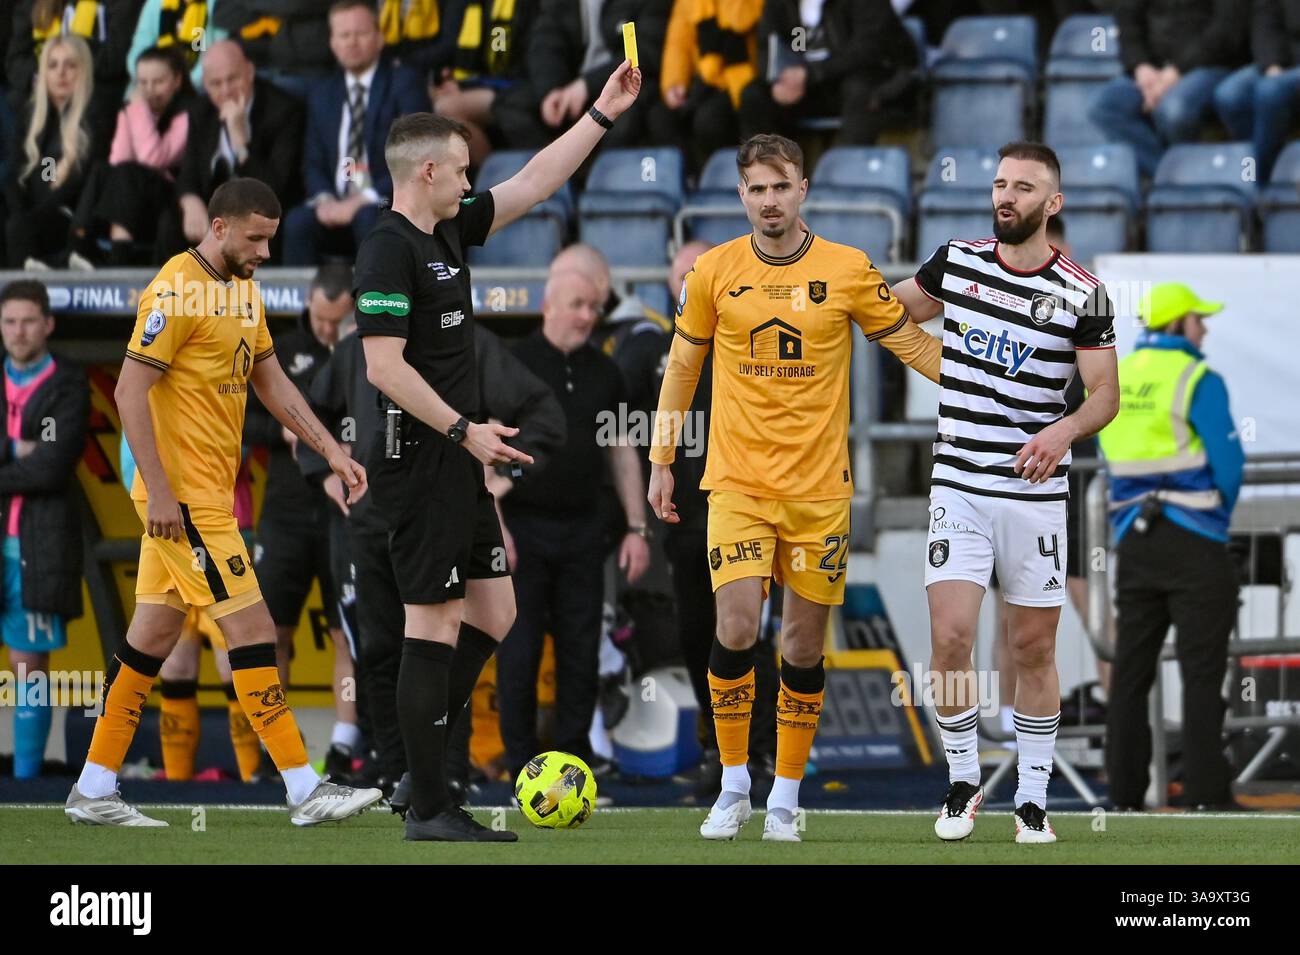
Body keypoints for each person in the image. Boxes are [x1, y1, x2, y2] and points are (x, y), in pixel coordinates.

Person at [353, 58, 641, 841]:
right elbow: (383, 366)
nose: (475, 181)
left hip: (457, 457)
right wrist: (462, 429)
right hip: (421, 457)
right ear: (430, 170)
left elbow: (538, 182)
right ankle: (429, 803)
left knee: (496, 608)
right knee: (432, 622)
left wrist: (603, 115)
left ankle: (422, 758)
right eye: (464, 171)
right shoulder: (387, 249)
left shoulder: (448, 228)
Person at [648, 133, 943, 842]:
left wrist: (990, 389)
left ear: (802, 189)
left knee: (803, 647)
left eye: (781, 186)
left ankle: (785, 792)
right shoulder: (715, 271)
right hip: (738, 484)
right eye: (756, 189)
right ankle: (732, 784)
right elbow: (683, 368)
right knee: (737, 626)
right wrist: (661, 457)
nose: (769, 201)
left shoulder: (847, 270)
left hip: (819, 495)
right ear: (741, 195)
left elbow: (909, 342)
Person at [65, 176, 380, 827]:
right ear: (219, 228)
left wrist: (331, 450)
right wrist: (157, 491)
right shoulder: (176, 288)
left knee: (150, 634)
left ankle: (93, 786)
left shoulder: (243, 291)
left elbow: (274, 384)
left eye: (271, 237)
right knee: (255, 628)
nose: (266, 250)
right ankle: (302, 785)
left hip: (206, 497)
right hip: (186, 503)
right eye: (257, 238)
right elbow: (128, 391)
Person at [892, 141, 1120, 845]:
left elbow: (1106, 394)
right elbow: (886, 310)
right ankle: (963, 781)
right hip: (958, 480)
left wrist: (1064, 432)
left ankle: (1031, 797)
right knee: (952, 637)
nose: (1006, 195)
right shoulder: (956, 260)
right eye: (999, 183)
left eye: (1023, 186)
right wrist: (936, 364)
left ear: (1052, 203)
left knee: (1031, 648)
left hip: (1033, 490)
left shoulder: (1085, 292)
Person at [496, 269, 651, 778]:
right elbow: (482, 447)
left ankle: (571, 766)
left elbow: (622, 451)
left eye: (594, 308)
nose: (588, 316)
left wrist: (636, 527)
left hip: (587, 531)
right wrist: (494, 523)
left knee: (581, 655)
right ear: (548, 304)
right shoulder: (510, 363)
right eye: (579, 305)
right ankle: (518, 767)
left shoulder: (606, 373)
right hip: (520, 529)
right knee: (518, 654)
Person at [1099, 283, 1245, 811]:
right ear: (1179, 325)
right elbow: (1230, 466)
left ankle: (1122, 798)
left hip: (1133, 542)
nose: (1203, 329)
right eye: (1197, 320)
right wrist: (1216, 521)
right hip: (1196, 542)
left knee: (1130, 675)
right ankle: (1207, 795)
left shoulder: (1120, 376)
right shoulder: (1198, 378)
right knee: (1202, 674)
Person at [243, 263, 357, 779]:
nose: (329, 330)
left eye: (339, 321)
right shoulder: (281, 348)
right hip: (287, 513)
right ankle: (278, 748)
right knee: (273, 631)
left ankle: (343, 746)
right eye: (322, 318)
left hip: (346, 513)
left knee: (346, 634)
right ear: (309, 303)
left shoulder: (370, 351)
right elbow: (246, 419)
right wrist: (288, 432)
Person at [0, 280, 89, 779]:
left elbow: (52, 467)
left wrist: (23, 454)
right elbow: (31, 461)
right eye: (9, 321)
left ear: (48, 324)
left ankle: (25, 786)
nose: (18, 331)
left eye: (28, 320)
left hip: (33, 548)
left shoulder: (67, 385)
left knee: (28, 668)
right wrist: (17, 449)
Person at [281, 0, 429, 265]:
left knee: (368, 216)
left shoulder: (405, 82)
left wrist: (363, 200)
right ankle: (307, 306)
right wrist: (325, 200)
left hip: (388, 203)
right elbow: (313, 162)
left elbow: (415, 156)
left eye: (360, 34)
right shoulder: (322, 92)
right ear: (332, 42)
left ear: (379, 38)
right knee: (297, 223)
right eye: (344, 35)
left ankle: (376, 303)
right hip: (335, 206)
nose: (351, 42)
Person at [1088, 0, 1246, 178]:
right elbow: (1128, 17)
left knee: (1173, 109)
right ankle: (1171, 179)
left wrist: (1176, 71)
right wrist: (1140, 65)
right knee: (1106, 107)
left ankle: (1181, 183)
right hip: (1155, 69)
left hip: (1211, 65)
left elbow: (1227, 31)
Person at [174, 40, 305, 248]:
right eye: (216, 84)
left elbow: (278, 189)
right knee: (171, 223)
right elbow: (188, 172)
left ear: (250, 72)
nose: (225, 91)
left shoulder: (284, 111)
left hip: (262, 210)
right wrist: (190, 201)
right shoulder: (201, 111)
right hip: (216, 209)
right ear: (205, 85)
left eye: (232, 79)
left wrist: (241, 143)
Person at [738, 0, 918, 145]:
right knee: (754, 94)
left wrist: (811, 73)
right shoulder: (782, 4)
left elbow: (869, 50)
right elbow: (767, 44)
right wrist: (778, 78)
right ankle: (768, 179)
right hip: (808, 88)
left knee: (859, 88)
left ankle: (851, 179)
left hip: (865, 81)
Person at [77, 44, 194, 266]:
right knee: (103, 170)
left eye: (158, 82)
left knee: (127, 174)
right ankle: (79, 244)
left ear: (177, 81)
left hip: (172, 201)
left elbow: (153, 159)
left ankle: (118, 258)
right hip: (134, 195)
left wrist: (138, 110)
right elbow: (118, 161)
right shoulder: (135, 109)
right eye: (142, 83)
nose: (149, 90)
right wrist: (128, 114)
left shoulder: (188, 112)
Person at [4, 34, 104, 269]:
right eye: (53, 65)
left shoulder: (95, 116)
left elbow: (88, 181)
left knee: (19, 227)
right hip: (30, 218)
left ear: (84, 71)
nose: (61, 73)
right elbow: (13, 174)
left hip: (71, 220)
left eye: (70, 65)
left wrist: (26, 218)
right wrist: (20, 213)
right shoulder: (30, 117)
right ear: (43, 73)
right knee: (13, 221)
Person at [647, 0, 760, 171]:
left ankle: (731, 177)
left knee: (709, 120)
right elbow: (678, 42)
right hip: (705, 79)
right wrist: (675, 82)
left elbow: (740, 20)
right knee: (660, 117)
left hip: (743, 77)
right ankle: (690, 179)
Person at [1213, 0, 1300, 181]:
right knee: (1229, 95)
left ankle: (1255, 179)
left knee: (1269, 92)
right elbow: (1265, 22)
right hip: (1286, 58)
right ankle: (1266, 168)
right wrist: (1272, 64)